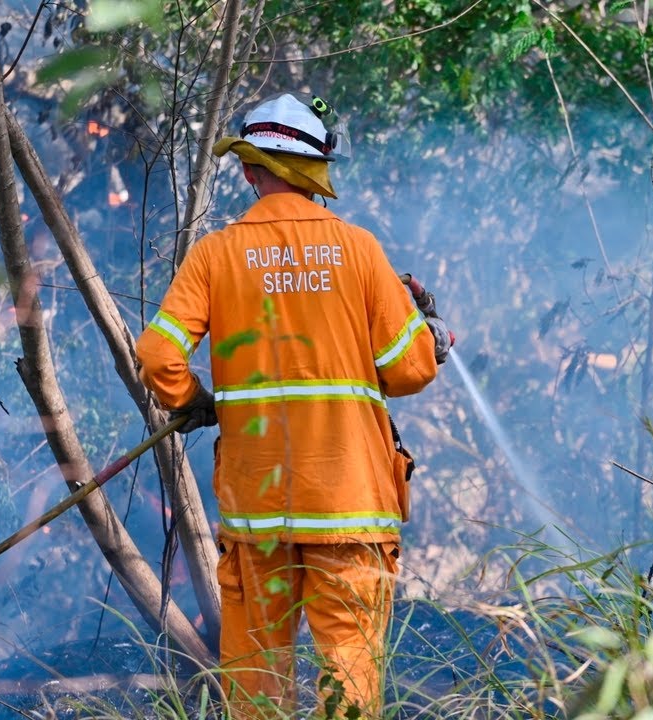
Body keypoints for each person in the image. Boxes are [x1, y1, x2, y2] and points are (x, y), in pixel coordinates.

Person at [135, 91, 451, 718]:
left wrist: (197, 400)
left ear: (248, 168)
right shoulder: (359, 249)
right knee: (349, 674)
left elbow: (157, 355)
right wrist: (429, 334)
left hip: (260, 510)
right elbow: (410, 369)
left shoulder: (216, 253)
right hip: (348, 506)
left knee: (256, 678)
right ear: (316, 172)